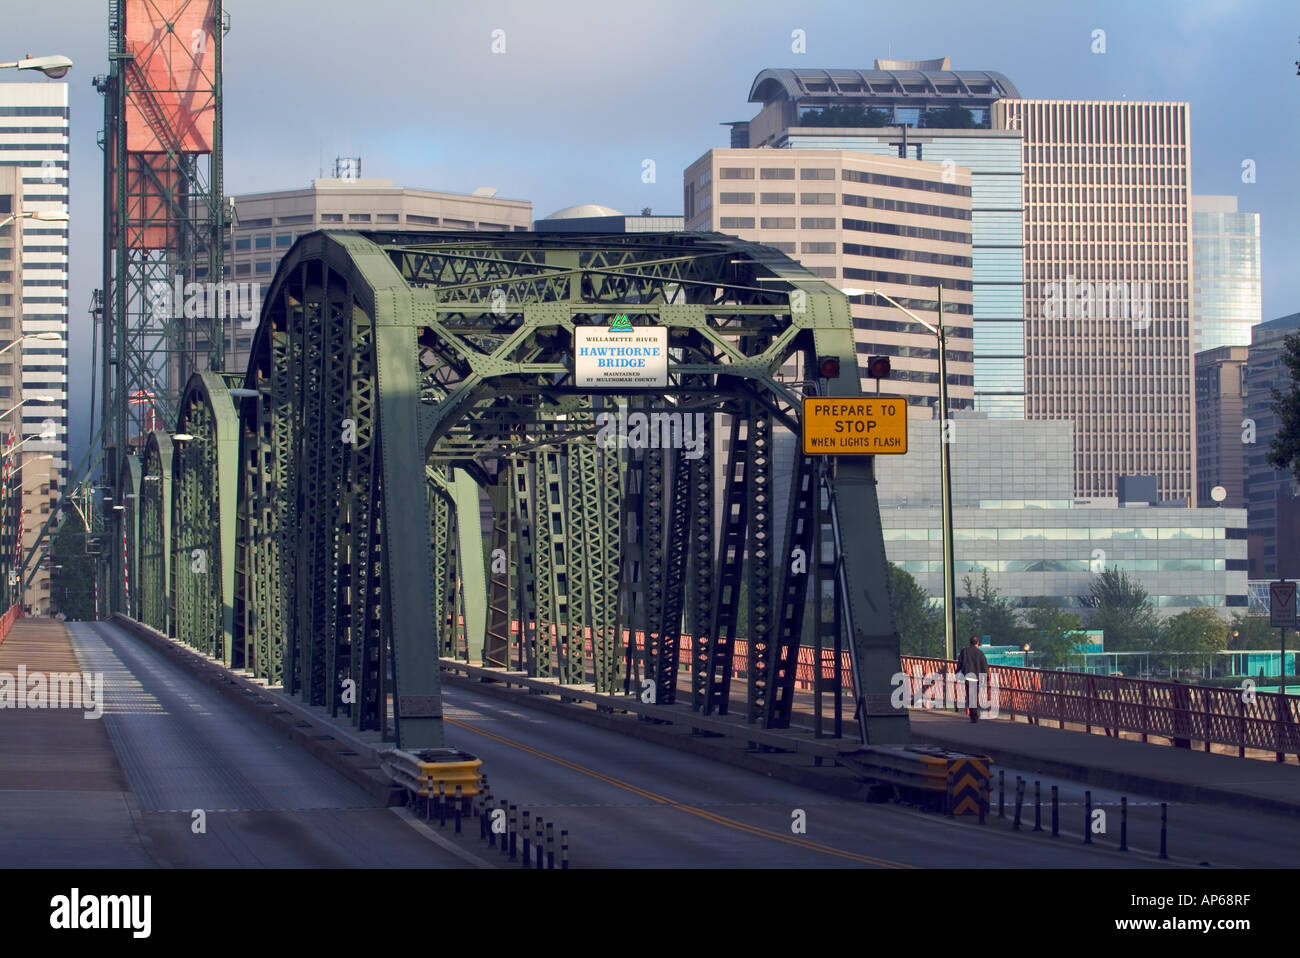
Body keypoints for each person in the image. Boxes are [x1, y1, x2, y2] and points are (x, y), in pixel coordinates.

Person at [955, 634, 989, 722]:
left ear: (970, 642)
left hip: (967, 676)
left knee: (970, 696)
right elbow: (984, 667)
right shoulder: (980, 653)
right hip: (976, 677)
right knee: (974, 696)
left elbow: (960, 663)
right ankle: (975, 714)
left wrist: (957, 673)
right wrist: (986, 678)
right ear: (978, 643)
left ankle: (972, 715)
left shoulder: (964, 651)